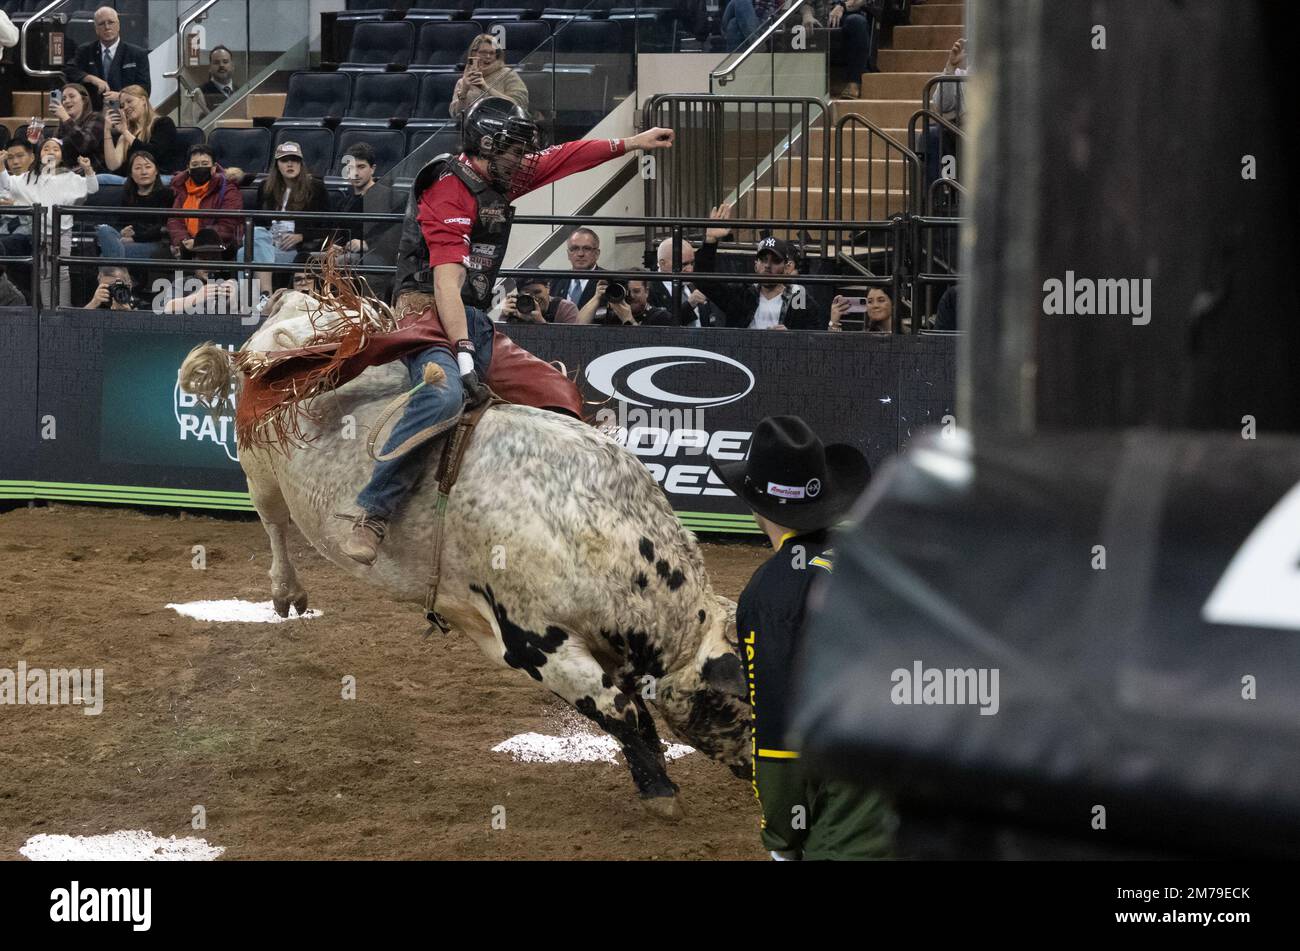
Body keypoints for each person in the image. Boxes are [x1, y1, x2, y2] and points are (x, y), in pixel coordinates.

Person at [339, 96, 675, 564]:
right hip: (426, 310)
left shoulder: (501, 173)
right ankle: (373, 512)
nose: (524, 161)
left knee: (559, 391)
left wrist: (632, 143)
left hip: (472, 315)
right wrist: (461, 354)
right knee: (443, 396)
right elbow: (446, 283)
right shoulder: (447, 189)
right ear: (487, 146)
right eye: (515, 150)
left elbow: (565, 157)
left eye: (522, 150)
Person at [708, 414, 896, 860]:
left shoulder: (773, 593)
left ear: (756, 506)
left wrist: (782, 842)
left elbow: (777, 739)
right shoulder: (877, 560)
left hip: (858, 819)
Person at [0, 142, 98, 306]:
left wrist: (88, 169)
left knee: (63, 272)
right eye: (46, 148)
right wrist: (1, 165)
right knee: (44, 273)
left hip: (63, 232)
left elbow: (93, 188)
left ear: (62, 154)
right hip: (40, 232)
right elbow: (8, 184)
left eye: (55, 149)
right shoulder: (30, 176)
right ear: (39, 154)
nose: (50, 151)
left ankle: (63, 310)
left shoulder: (71, 177)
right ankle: (46, 312)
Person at [236, 141, 331, 290]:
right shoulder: (266, 187)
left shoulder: (315, 188)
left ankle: (253, 299)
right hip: (267, 243)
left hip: (293, 249)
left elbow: (329, 226)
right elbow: (260, 222)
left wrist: (301, 236)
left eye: (294, 160)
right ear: (277, 165)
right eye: (284, 160)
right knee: (252, 242)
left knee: (245, 252)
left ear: (301, 163)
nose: (290, 164)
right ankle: (262, 295)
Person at [331, 142, 400, 296]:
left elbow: (394, 235)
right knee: (308, 259)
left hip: (378, 256)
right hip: (348, 255)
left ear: (373, 168)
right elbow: (338, 231)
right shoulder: (345, 201)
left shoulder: (387, 197)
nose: (355, 173)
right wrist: (335, 246)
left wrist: (367, 244)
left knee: (341, 262)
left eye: (361, 167)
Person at [166, 144, 245, 259]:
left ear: (213, 168)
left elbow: (228, 226)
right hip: (186, 246)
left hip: (219, 247)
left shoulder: (228, 189)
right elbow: (175, 220)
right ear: (188, 168)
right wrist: (183, 241)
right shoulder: (181, 188)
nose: (200, 167)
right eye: (195, 164)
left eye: (205, 164)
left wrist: (199, 242)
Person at [96, 150, 174, 264]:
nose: (143, 172)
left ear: (156, 171)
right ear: (131, 174)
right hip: (130, 239)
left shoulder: (167, 194)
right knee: (105, 231)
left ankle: (123, 280)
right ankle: (125, 279)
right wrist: (123, 231)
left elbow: (163, 228)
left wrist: (135, 238)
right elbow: (121, 222)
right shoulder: (128, 195)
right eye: (137, 168)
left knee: (107, 255)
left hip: (157, 243)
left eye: (148, 167)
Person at [65, 7, 152, 105]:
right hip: (94, 113)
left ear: (118, 25)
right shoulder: (85, 51)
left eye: (111, 22)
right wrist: (91, 78)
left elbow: (145, 90)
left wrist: (121, 96)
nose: (107, 27)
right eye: (101, 24)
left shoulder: (137, 54)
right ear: (96, 29)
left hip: (125, 111)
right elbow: (69, 70)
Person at [102, 85, 181, 182]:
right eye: (122, 105)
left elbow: (152, 154)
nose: (126, 107)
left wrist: (125, 132)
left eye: (129, 101)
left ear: (143, 100)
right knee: (99, 180)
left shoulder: (164, 123)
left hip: (160, 178)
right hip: (132, 181)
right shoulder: (127, 132)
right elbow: (113, 165)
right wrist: (107, 131)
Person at [648, 230, 728, 327]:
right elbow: (663, 325)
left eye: (692, 263)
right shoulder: (650, 290)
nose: (690, 269)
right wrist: (690, 304)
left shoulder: (695, 282)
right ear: (663, 263)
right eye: (684, 264)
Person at [801, 0, 876, 99]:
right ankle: (804, 86)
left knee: (856, 21)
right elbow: (805, 4)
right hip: (820, 17)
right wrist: (807, 14)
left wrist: (842, 6)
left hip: (848, 14)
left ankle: (854, 83)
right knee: (802, 24)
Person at [449, 34, 528, 119]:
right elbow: (457, 116)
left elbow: (519, 107)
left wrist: (485, 88)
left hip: (503, 127)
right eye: (483, 52)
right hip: (472, 129)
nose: (488, 56)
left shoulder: (508, 74)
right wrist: (464, 91)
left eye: (492, 53)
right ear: (473, 54)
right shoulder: (463, 82)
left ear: (497, 56)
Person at [50, 83, 106, 172]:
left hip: (92, 173)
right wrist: (37, 142)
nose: (67, 101)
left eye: (72, 96)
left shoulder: (96, 118)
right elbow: (53, 153)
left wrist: (65, 118)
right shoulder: (62, 127)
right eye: (63, 99)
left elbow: (85, 145)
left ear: (84, 100)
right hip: (67, 174)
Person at [549, 227, 604, 309]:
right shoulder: (556, 281)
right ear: (568, 254)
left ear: (597, 253)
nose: (580, 254)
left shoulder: (607, 281)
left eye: (586, 248)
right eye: (574, 248)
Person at [499, 274, 580, 324]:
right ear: (519, 295)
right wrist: (504, 318)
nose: (534, 298)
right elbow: (499, 343)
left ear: (548, 288)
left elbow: (571, 345)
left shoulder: (566, 308)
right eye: (527, 294)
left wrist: (540, 322)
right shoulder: (515, 308)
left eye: (537, 292)